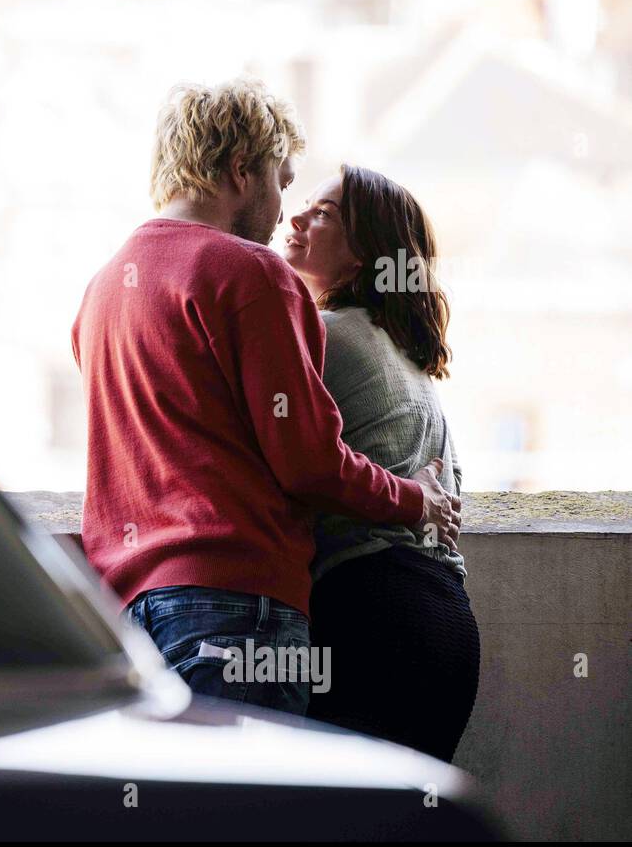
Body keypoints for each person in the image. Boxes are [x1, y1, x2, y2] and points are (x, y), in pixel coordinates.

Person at [71, 79, 460, 716]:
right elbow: (309, 461)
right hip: (237, 610)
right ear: (241, 171)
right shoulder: (251, 274)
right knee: (259, 816)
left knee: (174, 815)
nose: (283, 213)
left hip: (128, 617)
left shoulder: (102, 289)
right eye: (281, 181)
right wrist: (414, 498)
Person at [283, 164, 480, 760]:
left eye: (324, 214)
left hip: (373, 613)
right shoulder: (408, 359)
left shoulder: (324, 335)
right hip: (446, 622)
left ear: (366, 255)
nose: (296, 217)